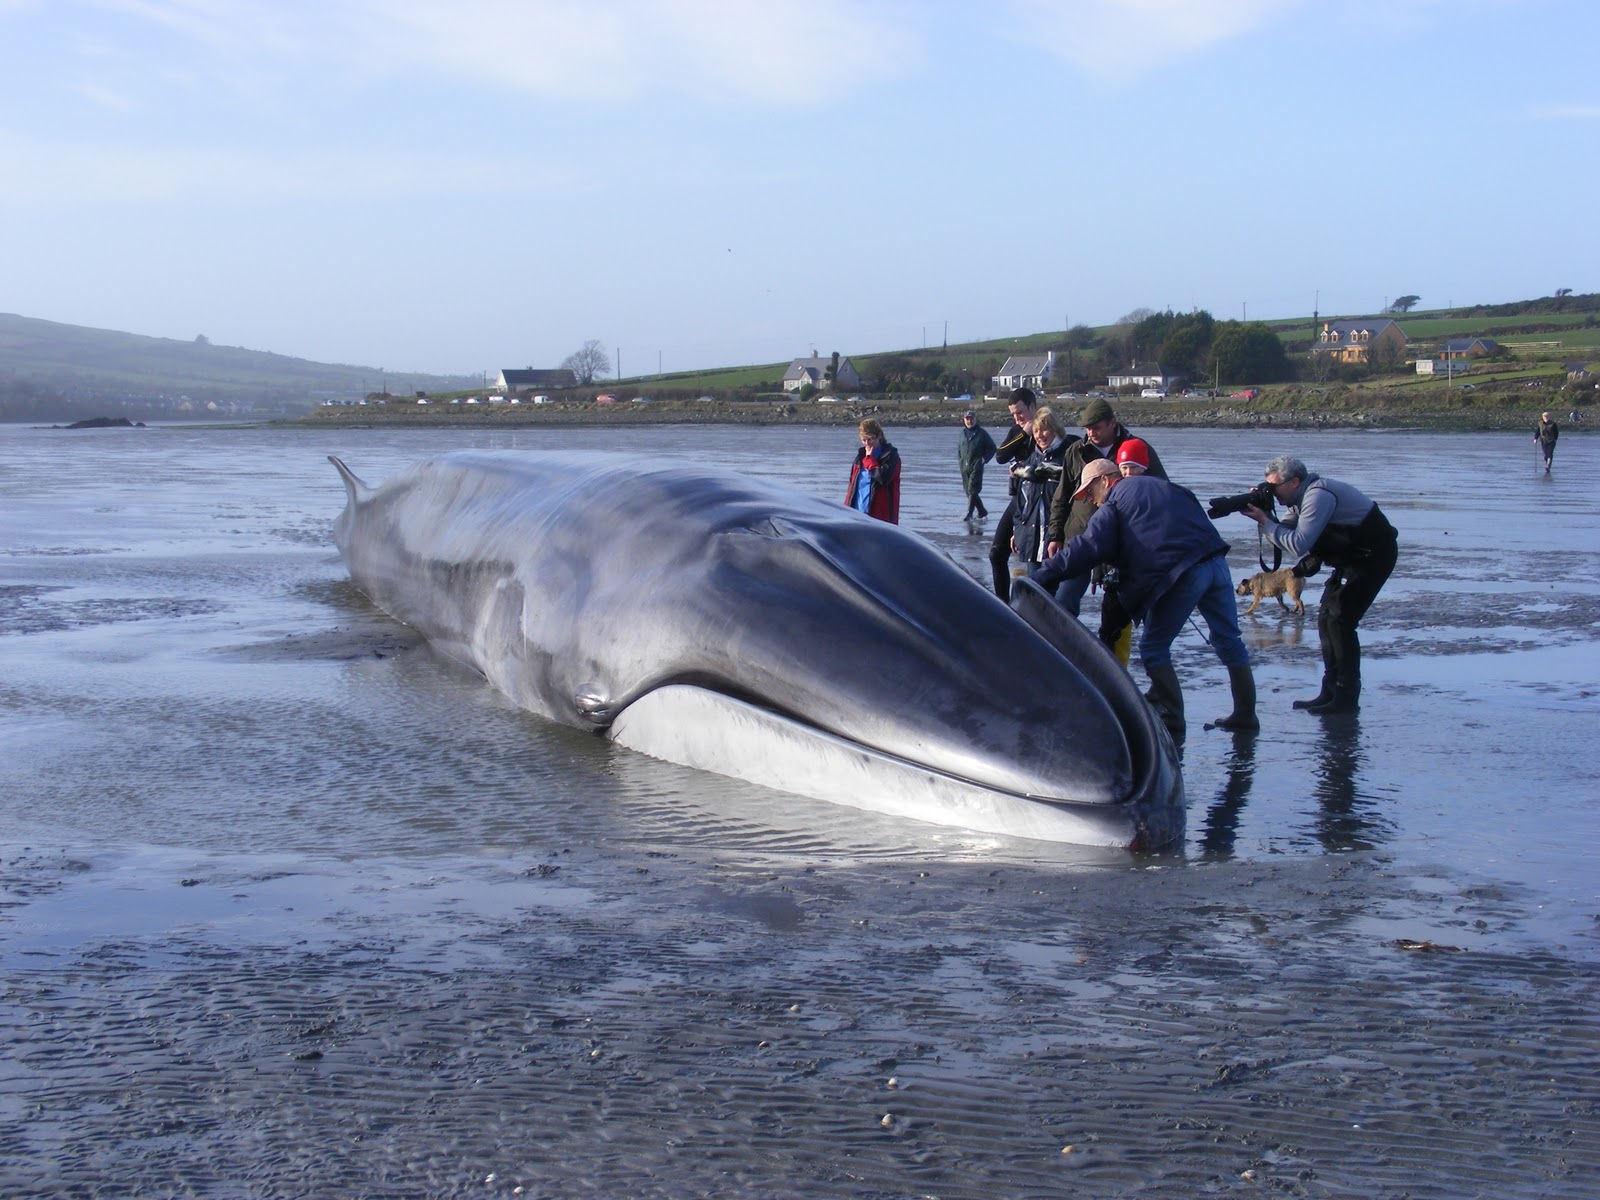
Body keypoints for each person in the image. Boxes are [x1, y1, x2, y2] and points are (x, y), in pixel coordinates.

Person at [1032, 458, 1258, 739]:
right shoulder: (1165, 486)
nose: (1091, 500)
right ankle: (1246, 716)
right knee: (1229, 640)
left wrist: (1040, 578)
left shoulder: (1114, 501)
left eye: (1090, 492)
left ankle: (1173, 720)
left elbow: (1087, 548)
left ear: (1106, 479)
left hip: (1185, 573)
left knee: (1153, 646)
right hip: (1216, 562)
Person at [1237, 456, 1398, 715]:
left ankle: (1345, 697)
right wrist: (1264, 515)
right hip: (1353, 556)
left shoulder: (1317, 495)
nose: (1272, 492)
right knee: (1326, 618)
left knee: (1340, 621)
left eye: (1274, 487)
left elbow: (1298, 543)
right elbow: (1285, 530)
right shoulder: (1301, 498)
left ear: (1295, 482)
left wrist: (1267, 524)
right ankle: (1330, 691)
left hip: (1373, 557)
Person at [1044, 398, 1168, 619]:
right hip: (1081, 536)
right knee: (1064, 602)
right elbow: (1061, 498)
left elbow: (1160, 491)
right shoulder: (1076, 451)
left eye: (1096, 427)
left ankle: (1118, 649)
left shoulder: (1137, 448)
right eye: (1087, 428)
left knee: (1122, 608)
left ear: (1112, 423)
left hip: (1122, 543)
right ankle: (1063, 646)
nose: (1091, 433)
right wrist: (1055, 535)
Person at [988, 388, 1046, 598]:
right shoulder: (1018, 431)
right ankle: (1003, 606)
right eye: (1012, 414)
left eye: (1019, 412)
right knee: (996, 554)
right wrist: (1023, 433)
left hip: (1040, 501)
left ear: (1032, 407)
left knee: (1037, 562)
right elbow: (1000, 455)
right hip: (1019, 500)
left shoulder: (1046, 429)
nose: (1016, 418)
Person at [1009, 408, 1070, 571]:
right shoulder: (1030, 461)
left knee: (1055, 594)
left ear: (1055, 430)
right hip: (1031, 541)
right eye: (1036, 431)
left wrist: (1059, 537)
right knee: (1034, 591)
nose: (1040, 435)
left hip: (1056, 542)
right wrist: (1018, 531)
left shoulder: (1067, 458)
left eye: (1044, 429)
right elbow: (1021, 502)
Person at [845, 419, 901, 523]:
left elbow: (883, 478)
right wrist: (845, 511)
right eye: (864, 440)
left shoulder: (891, 456)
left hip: (881, 517)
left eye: (870, 439)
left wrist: (869, 460)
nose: (867, 443)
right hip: (856, 514)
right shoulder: (859, 457)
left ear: (879, 436)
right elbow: (852, 487)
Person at [956, 409, 997, 520]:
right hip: (964, 466)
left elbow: (993, 448)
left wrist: (984, 459)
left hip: (976, 465)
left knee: (973, 489)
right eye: (967, 419)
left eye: (971, 419)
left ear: (975, 419)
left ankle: (969, 513)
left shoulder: (982, 433)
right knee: (968, 490)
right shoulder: (962, 434)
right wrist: (960, 461)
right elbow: (959, 449)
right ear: (964, 420)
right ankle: (982, 511)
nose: (969, 421)